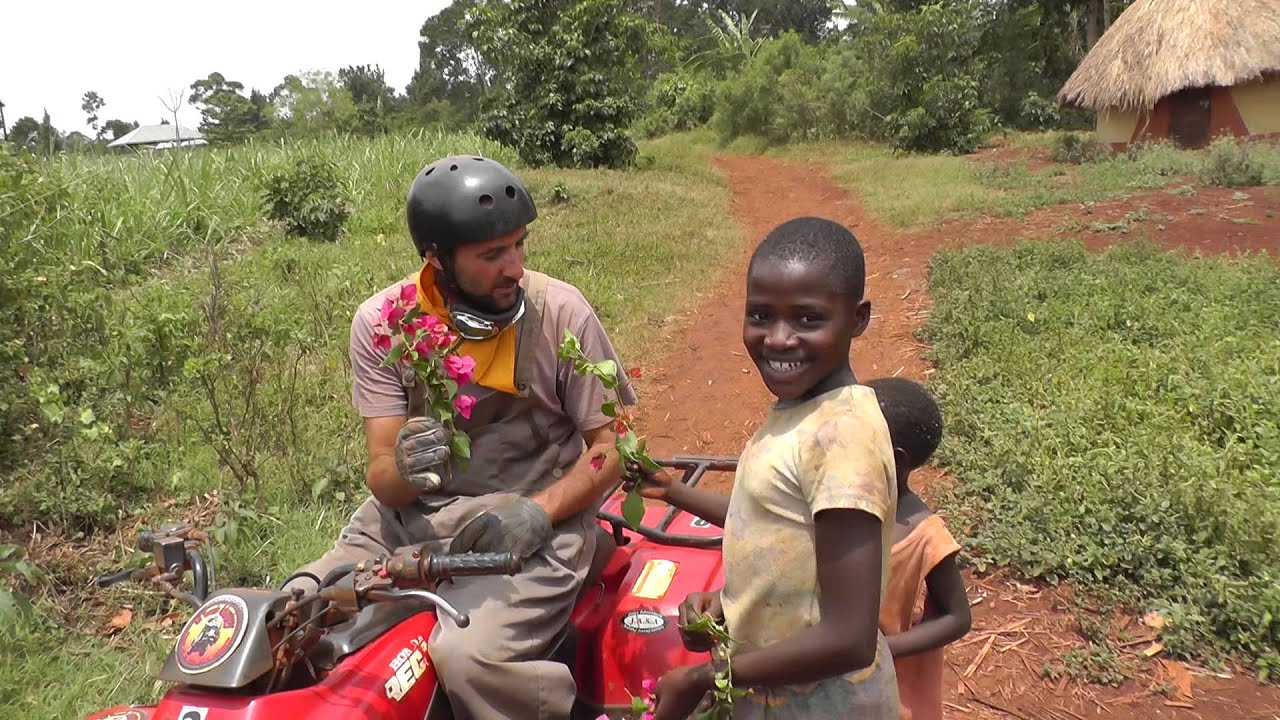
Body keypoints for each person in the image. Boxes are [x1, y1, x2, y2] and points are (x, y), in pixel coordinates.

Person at [284, 155, 636, 719]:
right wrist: (403, 468)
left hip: (530, 526)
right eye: (493, 254)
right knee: (288, 616)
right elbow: (383, 480)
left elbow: (613, 447)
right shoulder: (383, 325)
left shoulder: (560, 313)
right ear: (437, 260)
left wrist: (540, 513)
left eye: (519, 245)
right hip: (403, 523)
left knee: (471, 657)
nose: (515, 268)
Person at [650, 216, 900, 720]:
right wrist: (731, 602)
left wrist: (705, 677)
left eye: (808, 319)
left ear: (858, 318)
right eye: (761, 315)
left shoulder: (841, 439)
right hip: (779, 691)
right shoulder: (807, 412)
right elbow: (774, 523)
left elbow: (851, 639)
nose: (779, 339)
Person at [865, 377, 970, 720]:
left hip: (878, 684)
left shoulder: (925, 535)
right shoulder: (833, 505)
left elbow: (957, 617)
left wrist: (881, 651)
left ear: (895, 459)